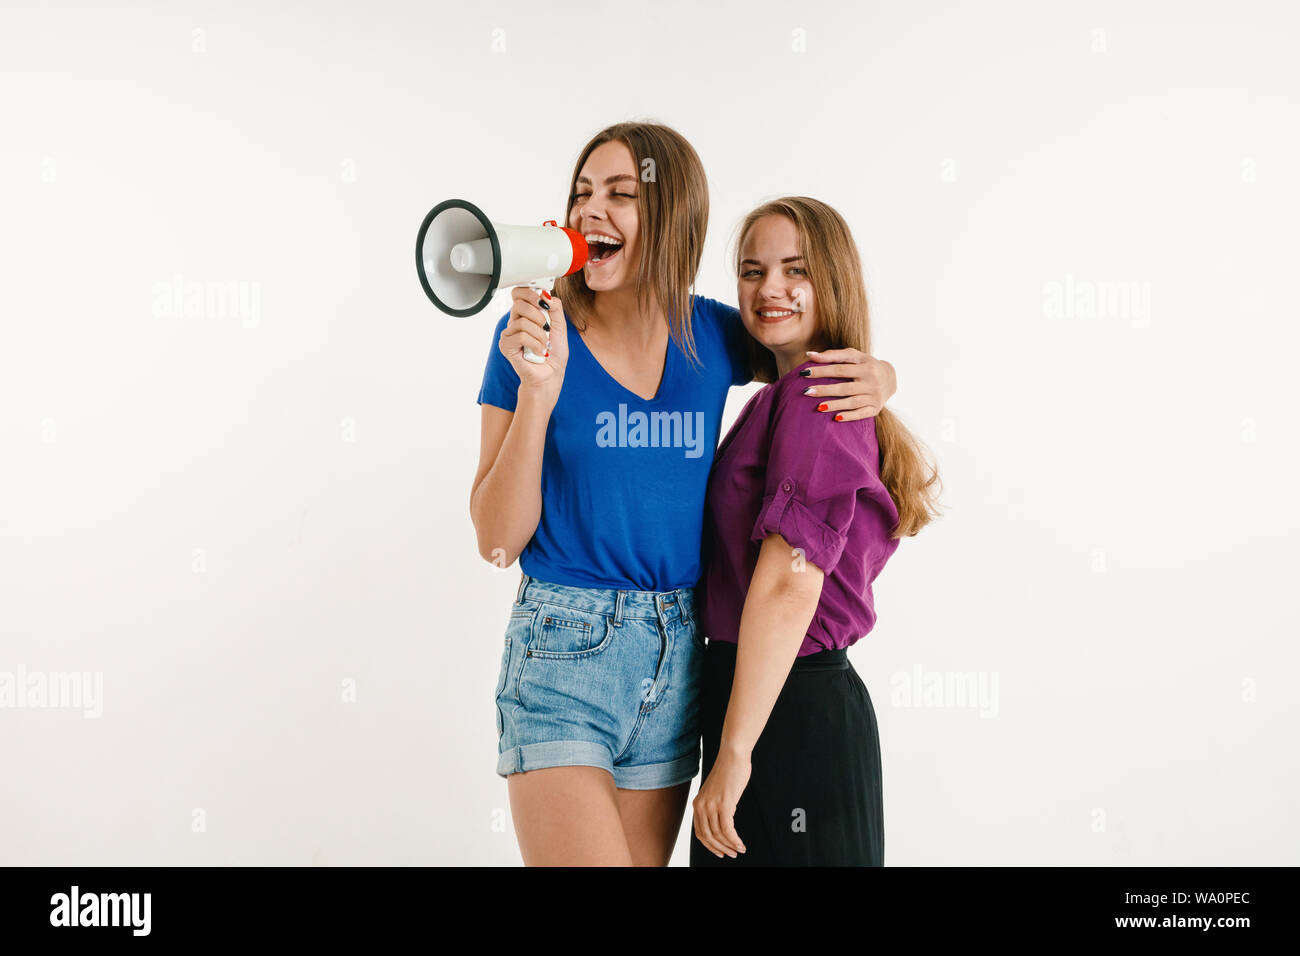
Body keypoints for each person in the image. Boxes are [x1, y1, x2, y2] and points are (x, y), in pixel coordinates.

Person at [471, 123, 901, 866]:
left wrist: (883, 374)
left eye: (620, 194)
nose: (590, 210)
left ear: (670, 218)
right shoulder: (533, 340)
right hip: (564, 647)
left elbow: (797, 345)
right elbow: (494, 538)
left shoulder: (707, 334)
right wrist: (539, 393)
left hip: (679, 666)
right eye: (581, 192)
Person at [690, 197, 941, 866]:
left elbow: (788, 587)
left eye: (794, 270)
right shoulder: (790, 393)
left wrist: (737, 752)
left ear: (831, 281)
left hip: (786, 712)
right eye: (751, 270)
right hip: (768, 699)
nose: (769, 287)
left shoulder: (814, 393)